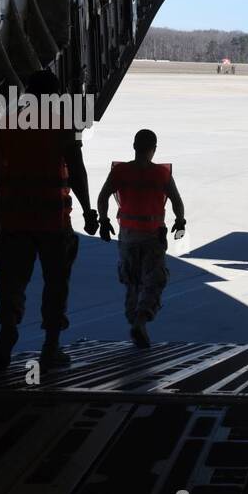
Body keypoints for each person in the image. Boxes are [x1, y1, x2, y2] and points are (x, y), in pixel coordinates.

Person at [0, 70, 96, 371]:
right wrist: (89, 211)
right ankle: (50, 347)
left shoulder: (7, 122)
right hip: (52, 219)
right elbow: (77, 171)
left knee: (11, 281)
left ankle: (6, 334)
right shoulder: (63, 124)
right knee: (56, 282)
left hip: (15, 218)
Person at [96, 129, 186, 349]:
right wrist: (180, 222)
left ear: (134, 147)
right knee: (154, 281)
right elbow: (176, 201)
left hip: (127, 236)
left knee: (132, 280)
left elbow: (103, 196)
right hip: (152, 236)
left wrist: (104, 221)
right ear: (153, 149)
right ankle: (141, 320)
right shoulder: (161, 174)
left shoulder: (121, 171)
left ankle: (134, 318)